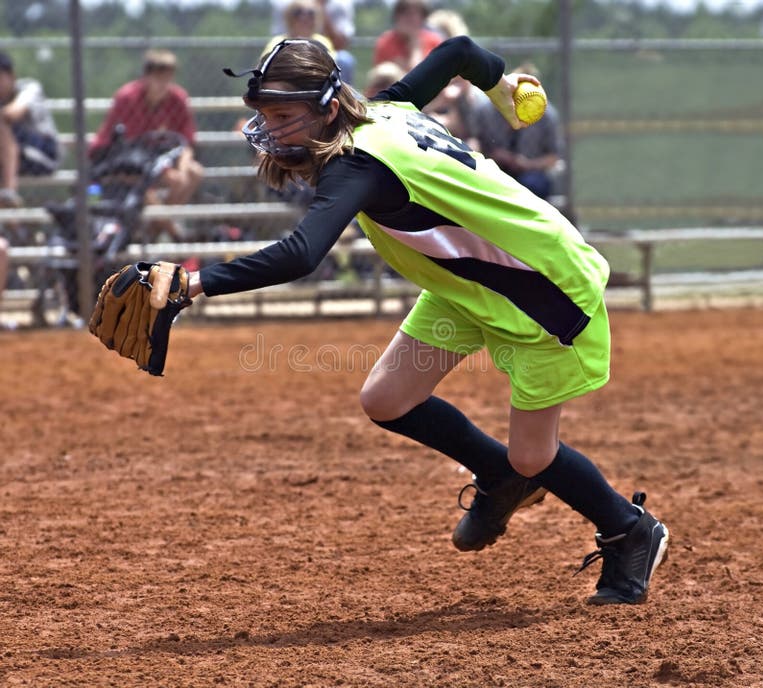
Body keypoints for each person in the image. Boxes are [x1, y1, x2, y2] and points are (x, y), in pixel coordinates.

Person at [181, 37, 669, 605]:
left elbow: (300, 253)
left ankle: (629, 529)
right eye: (265, 115)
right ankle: (502, 475)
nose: (273, 129)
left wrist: (193, 283)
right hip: (467, 283)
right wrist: (502, 85)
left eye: (285, 115)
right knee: (387, 398)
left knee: (534, 453)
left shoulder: (357, 166)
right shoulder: (389, 106)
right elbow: (458, 51)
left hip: (539, 285)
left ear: (330, 106)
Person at [89, 49, 204, 240]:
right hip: (121, 161)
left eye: (167, 78)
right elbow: (133, 151)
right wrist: (168, 172)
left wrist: (182, 170)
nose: (163, 84)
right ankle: (174, 234)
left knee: (194, 172)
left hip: (157, 161)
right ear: (146, 77)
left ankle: (153, 231)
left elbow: (187, 142)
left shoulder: (177, 98)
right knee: (145, 188)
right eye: (158, 78)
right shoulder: (128, 98)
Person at [474, 62, 563, 200]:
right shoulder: (487, 110)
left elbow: (553, 157)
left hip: (531, 173)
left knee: (531, 184)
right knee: (486, 181)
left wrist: (527, 164)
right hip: (495, 168)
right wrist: (494, 155)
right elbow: (476, 142)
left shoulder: (547, 115)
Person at [0, 50, 60, 209]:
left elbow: (12, 114)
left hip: (44, 154)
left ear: (11, 75)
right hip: (13, 159)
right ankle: (18, 230)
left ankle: (9, 191)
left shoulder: (29, 87)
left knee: (1, 122)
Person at [272, 0, 356, 85]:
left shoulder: (322, 41)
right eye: (298, 13)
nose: (304, 17)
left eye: (311, 13)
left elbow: (331, 66)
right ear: (289, 17)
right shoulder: (278, 41)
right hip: (287, 79)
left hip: (315, 79)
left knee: (344, 60)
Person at [373, 0, 443, 72]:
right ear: (397, 16)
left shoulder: (434, 41)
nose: (410, 18)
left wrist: (415, 43)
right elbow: (410, 75)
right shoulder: (386, 42)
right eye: (405, 13)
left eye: (415, 13)